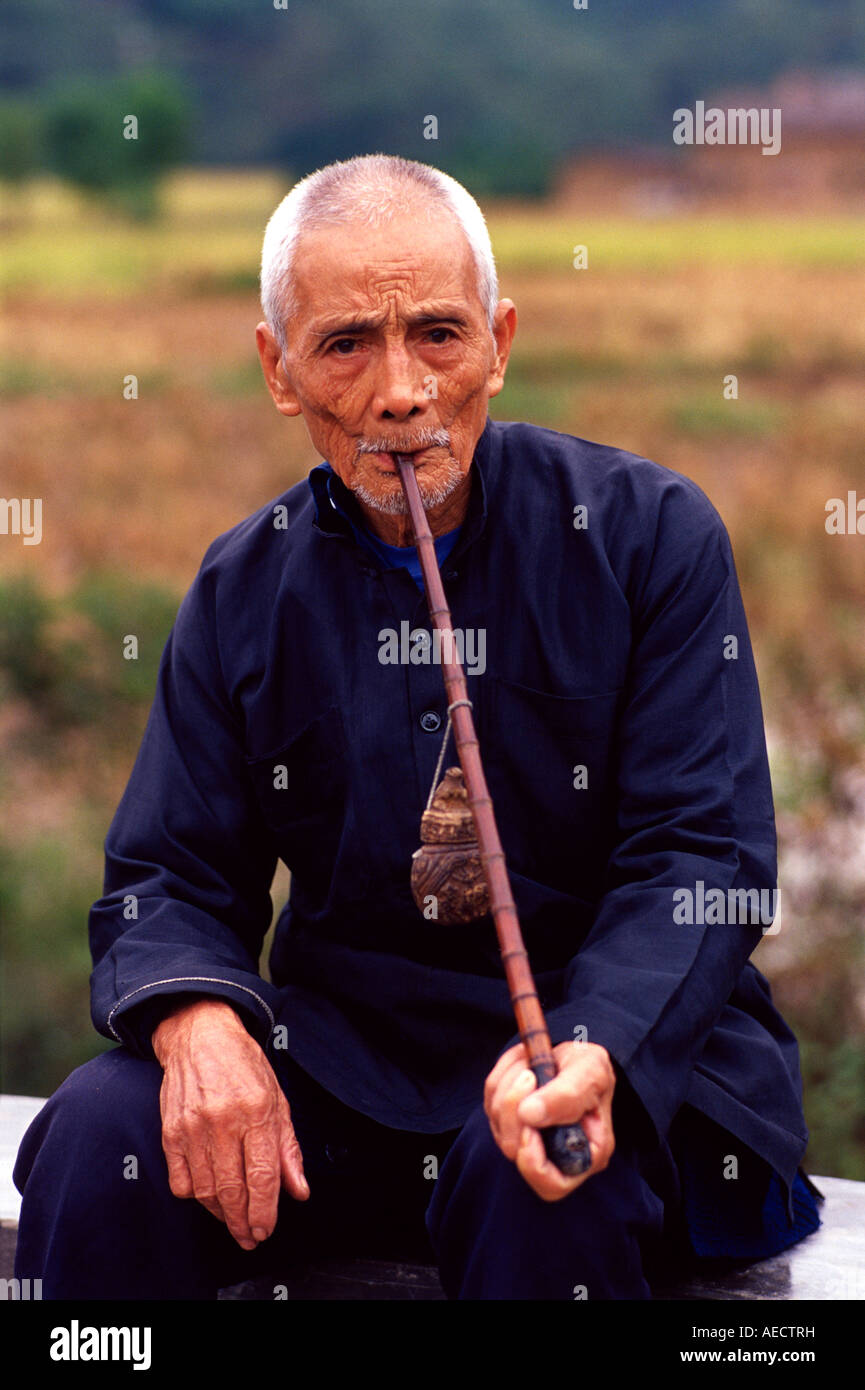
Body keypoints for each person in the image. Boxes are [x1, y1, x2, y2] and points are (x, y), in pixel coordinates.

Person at [14, 153, 820, 1300]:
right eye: (344, 344)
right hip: (345, 1074)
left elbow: (702, 857)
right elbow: (168, 876)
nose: (400, 391)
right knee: (103, 1131)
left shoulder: (650, 538)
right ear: (277, 368)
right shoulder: (242, 587)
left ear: (498, 340)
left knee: (539, 1166)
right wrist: (196, 1020)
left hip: (616, 1058)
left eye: (437, 335)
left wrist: (590, 1048)